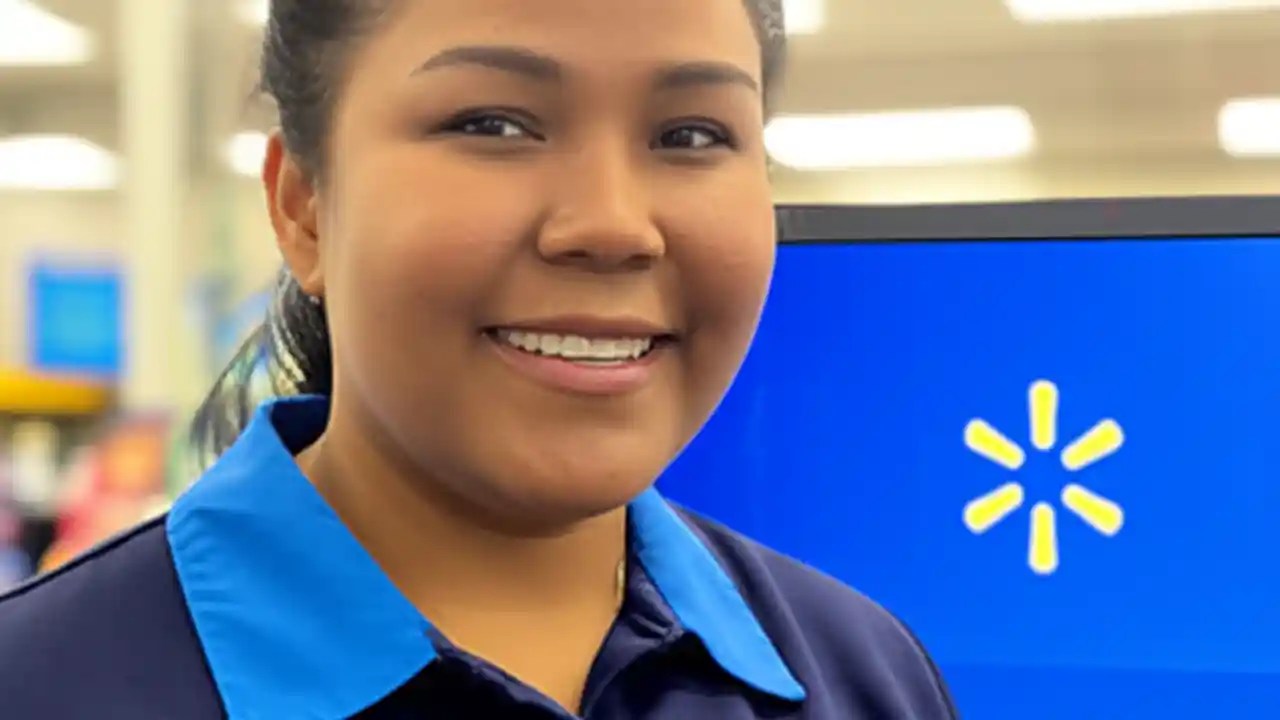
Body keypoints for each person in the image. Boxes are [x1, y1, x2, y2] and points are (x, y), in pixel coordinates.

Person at [0, 1, 959, 718]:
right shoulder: (48, 683)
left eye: (692, 134)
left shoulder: (861, 677)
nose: (612, 226)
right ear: (303, 206)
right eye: (492, 124)